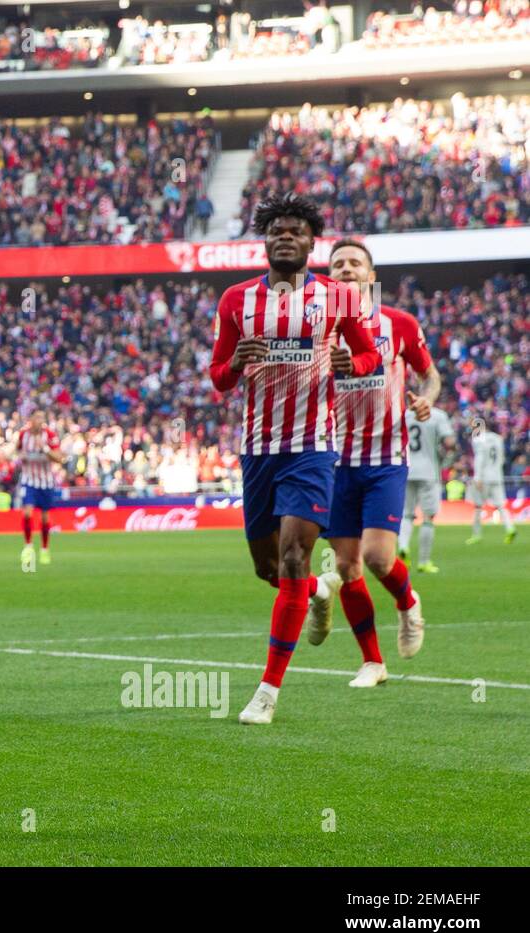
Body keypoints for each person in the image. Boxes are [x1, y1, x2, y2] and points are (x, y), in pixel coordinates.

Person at [208, 192, 380, 725]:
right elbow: (218, 378)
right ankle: (315, 596)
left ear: (311, 242)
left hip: (312, 446)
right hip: (257, 450)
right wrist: (234, 362)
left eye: (296, 231)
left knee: (291, 557)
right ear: (265, 240)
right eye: (277, 230)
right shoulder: (236, 300)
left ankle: (267, 692)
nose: (286, 236)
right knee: (269, 569)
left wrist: (355, 359)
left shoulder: (338, 298)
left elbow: (369, 353)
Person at [315, 238, 438, 686]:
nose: (346, 269)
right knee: (346, 567)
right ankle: (372, 661)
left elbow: (430, 373)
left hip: (386, 457)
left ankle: (408, 604)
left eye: (355, 264)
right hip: (336, 460)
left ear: (370, 275)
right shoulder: (318, 330)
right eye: (338, 264)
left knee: (378, 558)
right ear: (329, 276)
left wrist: (426, 399)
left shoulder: (398, 323)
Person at [398, 405, 457, 573]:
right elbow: (449, 442)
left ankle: (403, 546)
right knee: (428, 517)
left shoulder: (404, 414)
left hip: (406, 469)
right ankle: (424, 561)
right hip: (429, 471)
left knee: (406, 514)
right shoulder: (437, 415)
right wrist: (449, 454)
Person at [14, 409, 65, 566]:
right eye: (37, 417)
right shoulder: (24, 434)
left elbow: (59, 458)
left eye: (42, 417)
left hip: (46, 481)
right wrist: (20, 456)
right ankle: (28, 547)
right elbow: (18, 449)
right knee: (27, 513)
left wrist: (45, 449)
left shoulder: (49, 435)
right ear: (31, 419)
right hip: (29, 481)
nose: (40, 420)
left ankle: (44, 548)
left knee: (44, 517)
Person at [467, 425, 517, 545]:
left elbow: (479, 458)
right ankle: (510, 528)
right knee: (501, 506)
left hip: (484, 477)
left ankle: (476, 535)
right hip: (497, 476)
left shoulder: (479, 440)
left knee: (478, 506)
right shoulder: (498, 439)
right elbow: (502, 459)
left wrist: (477, 477)